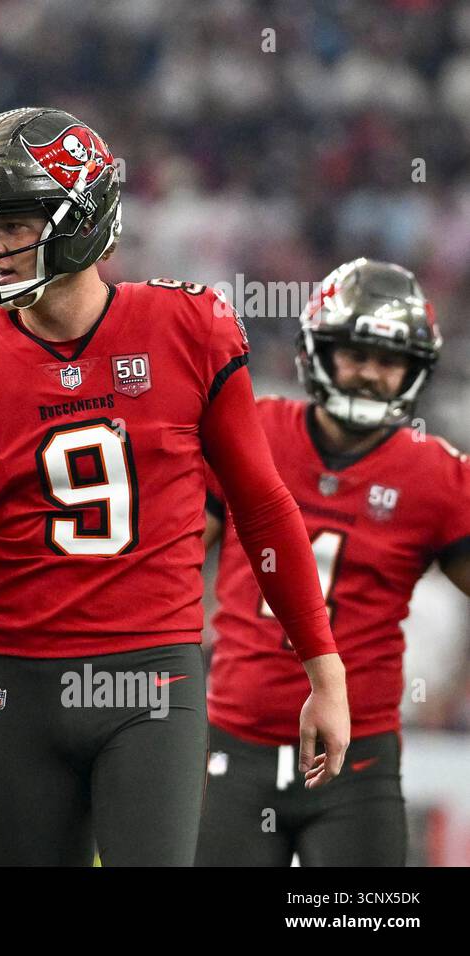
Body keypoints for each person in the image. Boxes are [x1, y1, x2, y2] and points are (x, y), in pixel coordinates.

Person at [0, 107, 351, 866]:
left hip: (152, 678)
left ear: (83, 216)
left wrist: (323, 665)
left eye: (13, 222)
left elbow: (260, 506)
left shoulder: (188, 327)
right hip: (16, 688)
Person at [197, 259, 470, 866]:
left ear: (414, 371)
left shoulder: (437, 477)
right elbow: (174, 559)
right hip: (234, 748)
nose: (371, 373)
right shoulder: (253, 431)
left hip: (359, 761)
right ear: (318, 350)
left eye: (388, 360)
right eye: (355, 353)